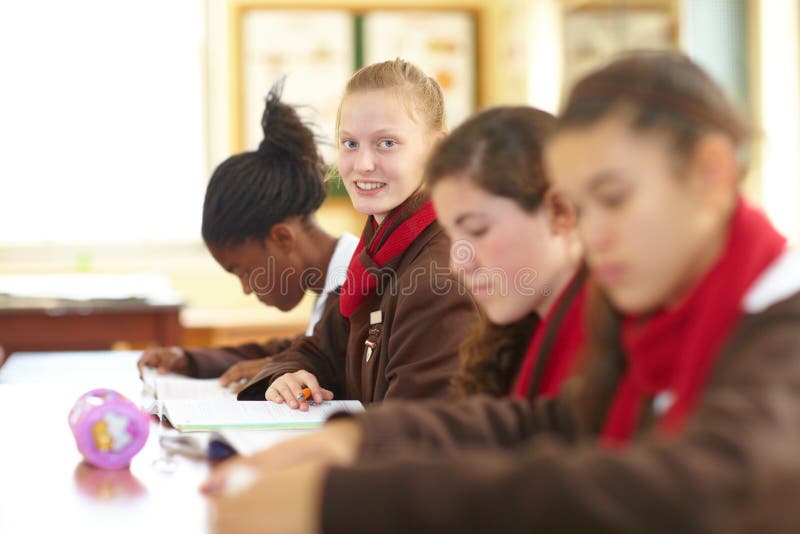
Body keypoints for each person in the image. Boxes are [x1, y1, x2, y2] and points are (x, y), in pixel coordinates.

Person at [204, 51, 800, 533]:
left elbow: (698, 489)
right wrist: (353, 443)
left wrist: (344, 499)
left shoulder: (780, 325)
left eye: (613, 199)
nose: (590, 233)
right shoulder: (648, 319)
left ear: (712, 175)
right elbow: (544, 424)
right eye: (582, 206)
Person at [236, 58, 479, 408]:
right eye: (350, 144)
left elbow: (416, 434)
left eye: (387, 143)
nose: (362, 164)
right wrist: (290, 377)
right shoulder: (376, 252)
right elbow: (316, 350)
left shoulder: (438, 274)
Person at [137, 83, 359, 391]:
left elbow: (331, 364)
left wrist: (279, 367)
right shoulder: (334, 284)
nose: (245, 287)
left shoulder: (359, 286)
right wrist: (188, 359)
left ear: (282, 239)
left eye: (243, 270)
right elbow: (294, 347)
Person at [426, 106, 585, 399]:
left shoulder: (603, 347)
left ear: (559, 211)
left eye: (477, 230)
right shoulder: (519, 337)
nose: (457, 264)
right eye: (451, 236)